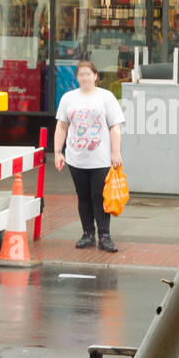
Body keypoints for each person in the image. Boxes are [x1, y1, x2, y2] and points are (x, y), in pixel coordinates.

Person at [55, 59, 124, 253]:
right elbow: (61, 126)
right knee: (83, 196)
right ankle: (87, 234)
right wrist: (58, 152)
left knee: (100, 197)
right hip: (76, 158)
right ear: (77, 77)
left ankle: (105, 236)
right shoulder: (69, 98)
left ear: (95, 76)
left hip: (101, 158)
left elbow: (115, 126)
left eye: (88, 74)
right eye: (81, 74)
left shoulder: (106, 97)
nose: (84, 77)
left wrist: (116, 152)